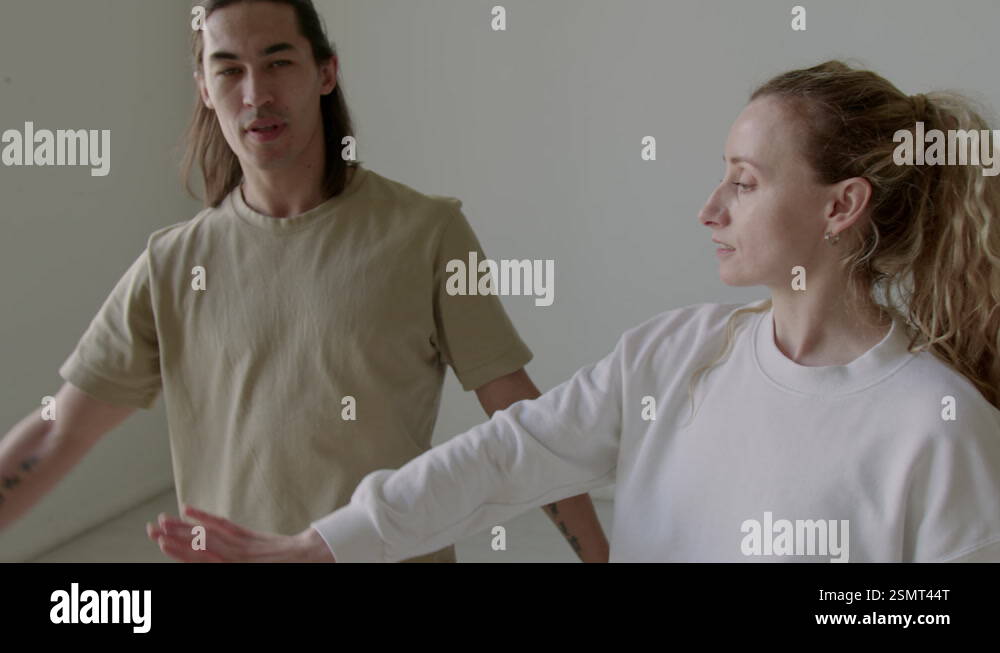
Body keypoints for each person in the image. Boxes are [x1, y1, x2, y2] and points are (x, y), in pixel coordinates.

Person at [149, 60, 1000, 563]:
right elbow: (504, 456)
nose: (710, 207)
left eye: (745, 182)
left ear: (841, 206)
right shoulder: (676, 356)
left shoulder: (935, 424)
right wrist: (320, 548)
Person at [0, 0, 610, 563]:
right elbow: (59, 429)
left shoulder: (428, 232)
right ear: (205, 92)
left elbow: (522, 420)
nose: (256, 93)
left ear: (325, 72)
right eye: (229, 70)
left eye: (278, 61)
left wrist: (601, 559)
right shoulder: (172, 263)